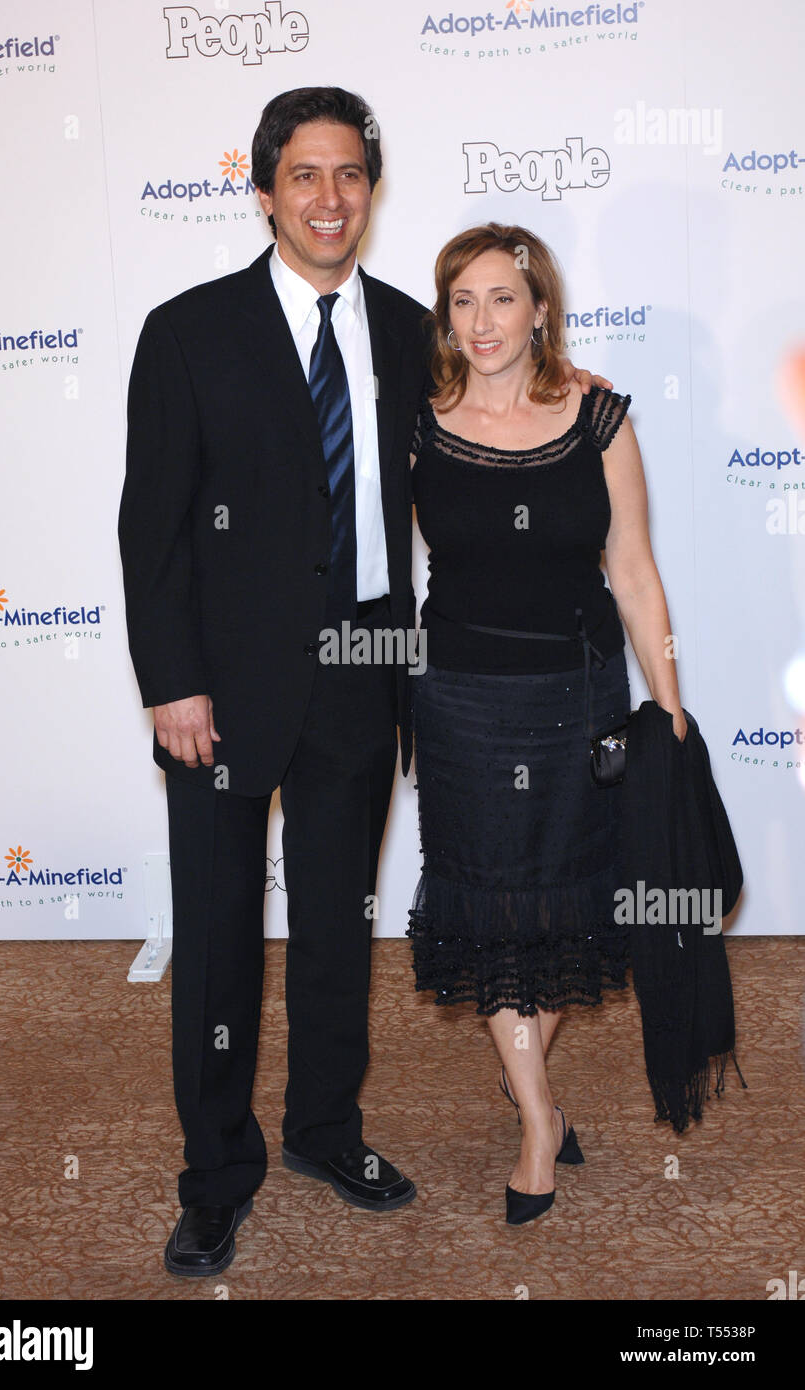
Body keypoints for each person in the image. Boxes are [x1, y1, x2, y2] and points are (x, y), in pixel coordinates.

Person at [119, 89, 606, 1277]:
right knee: (223, 941)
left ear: (370, 192)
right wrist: (173, 681)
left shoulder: (408, 332)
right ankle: (215, 1174)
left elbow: (496, 435)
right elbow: (152, 528)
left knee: (339, 929)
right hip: (219, 699)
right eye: (304, 176)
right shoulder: (186, 330)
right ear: (265, 188)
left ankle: (324, 1131)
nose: (328, 198)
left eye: (348, 176)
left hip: (367, 677)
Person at [407, 223, 687, 1227]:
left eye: (501, 299)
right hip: (457, 699)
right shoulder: (417, 416)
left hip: (576, 696)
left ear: (537, 308)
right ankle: (535, 1117)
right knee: (487, 911)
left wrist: (667, 700)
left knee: (565, 908)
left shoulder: (598, 416)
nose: (481, 321)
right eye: (462, 301)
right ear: (445, 316)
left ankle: (530, 1079)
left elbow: (634, 570)